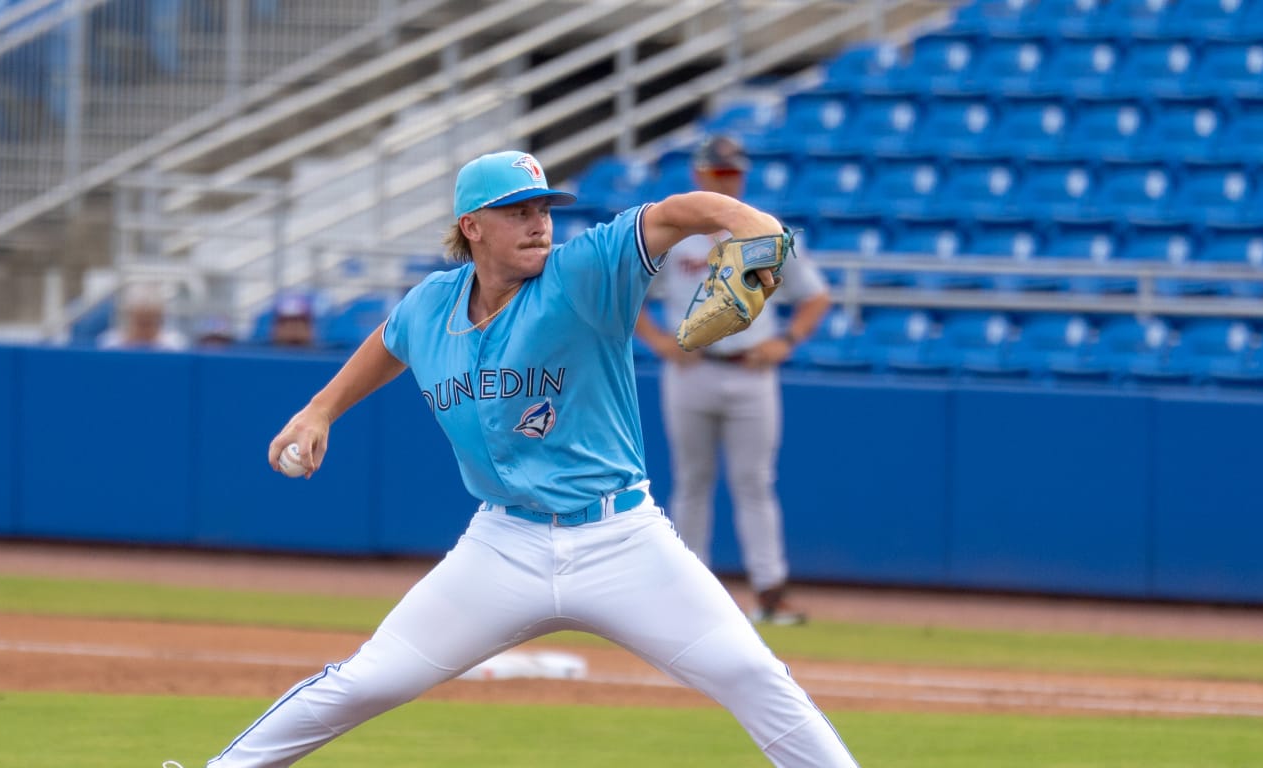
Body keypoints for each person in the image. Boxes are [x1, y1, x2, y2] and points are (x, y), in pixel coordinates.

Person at [174, 150, 859, 767]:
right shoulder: (434, 302)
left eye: (542, 210)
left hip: (621, 539)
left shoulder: (584, 275)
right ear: (472, 226)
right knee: (370, 679)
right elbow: (390, 338)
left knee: (753, 676)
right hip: (503, 545)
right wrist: (322, 408)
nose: (538, 224)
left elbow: (677, 213)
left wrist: (746, 221)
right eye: (517, 212)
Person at [634, 135, 832, 626]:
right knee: (691, 481)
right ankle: (689, 590)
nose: (726, 179)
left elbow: (816, 297)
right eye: (717, 173)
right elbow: (628, 293)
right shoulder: (674, 235)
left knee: (755, 482)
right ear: (700, 176)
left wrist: (785, 343)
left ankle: (769, 590)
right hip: (692, 368)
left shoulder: (766, 232)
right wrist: (657, 341)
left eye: (732, 173)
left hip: (751, 369)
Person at [97, 281, 188, 351]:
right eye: (140, 322)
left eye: (149, 323)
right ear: (129, 319)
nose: (144, 330)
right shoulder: (111, 344)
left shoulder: (173, 346)